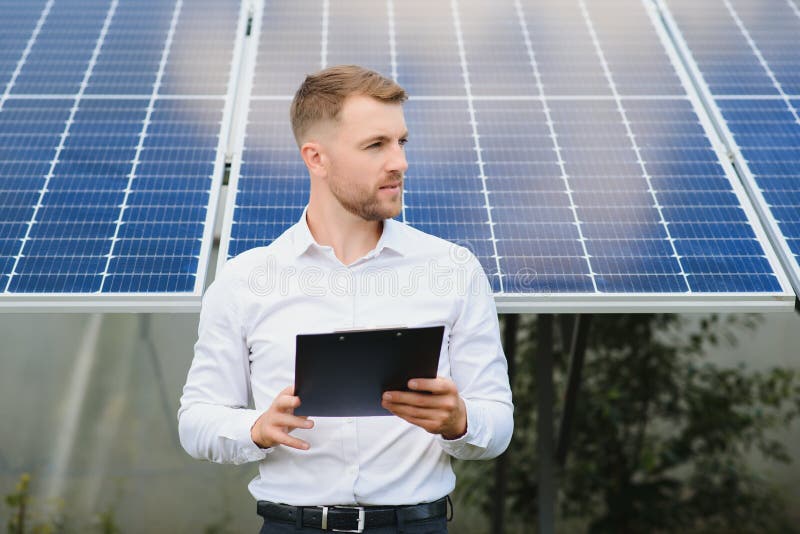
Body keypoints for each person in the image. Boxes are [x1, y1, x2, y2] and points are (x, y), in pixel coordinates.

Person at [178, 65, 513, 534]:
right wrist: (254, 429)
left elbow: (497, 422)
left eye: (402, 142)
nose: (399, 162)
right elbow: (195, 420)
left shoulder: (453, 270)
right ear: (316, 158)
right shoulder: (245, 280)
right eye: (376, 145)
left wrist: (460, 421)